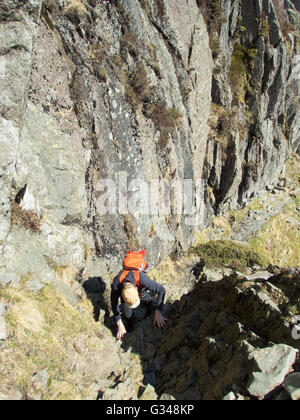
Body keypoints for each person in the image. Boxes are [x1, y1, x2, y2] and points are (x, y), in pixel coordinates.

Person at [111, 250, 167, 340]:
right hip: (131, 290)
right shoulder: (117, 284)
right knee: (127, 315)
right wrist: (119, 323)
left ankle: (150, 308)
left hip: (139, 287)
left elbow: (161, 290)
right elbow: (114, 303)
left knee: (146, 298)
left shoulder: (141, 278)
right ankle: (130, 326)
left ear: (136, 289)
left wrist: (158, 311)